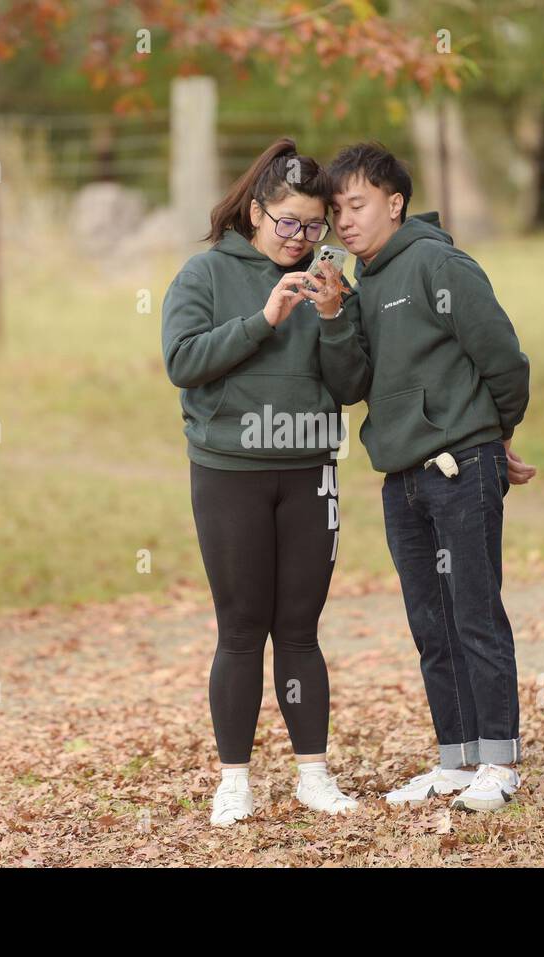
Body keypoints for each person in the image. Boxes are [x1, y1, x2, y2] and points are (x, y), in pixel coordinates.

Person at [325, 141, 537, 812]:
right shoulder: (364, 282)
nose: (344, 221)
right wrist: (332, 316)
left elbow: (503, 356)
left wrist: (492, 434)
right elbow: (351, 382)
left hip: (461, 466)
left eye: (356, 205)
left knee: (475, 612)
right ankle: (455, 760)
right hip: (401, 478)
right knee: (429, 622)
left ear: (394, 202)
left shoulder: (437, 262)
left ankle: (499, 763)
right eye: (336, 211)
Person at [161, 138, 365, 826]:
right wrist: (264, 319)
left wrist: (334, 319)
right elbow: (184, 361)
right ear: (256, 212)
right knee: (242, 628)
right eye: (289, 223)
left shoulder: (329, 280)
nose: (301, 239)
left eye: (314, 227)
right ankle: (235, 781)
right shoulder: (204, 275)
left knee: (300, 628)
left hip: (309, 473)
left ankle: (314, 774)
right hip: (230, 475)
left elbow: (350, 384)